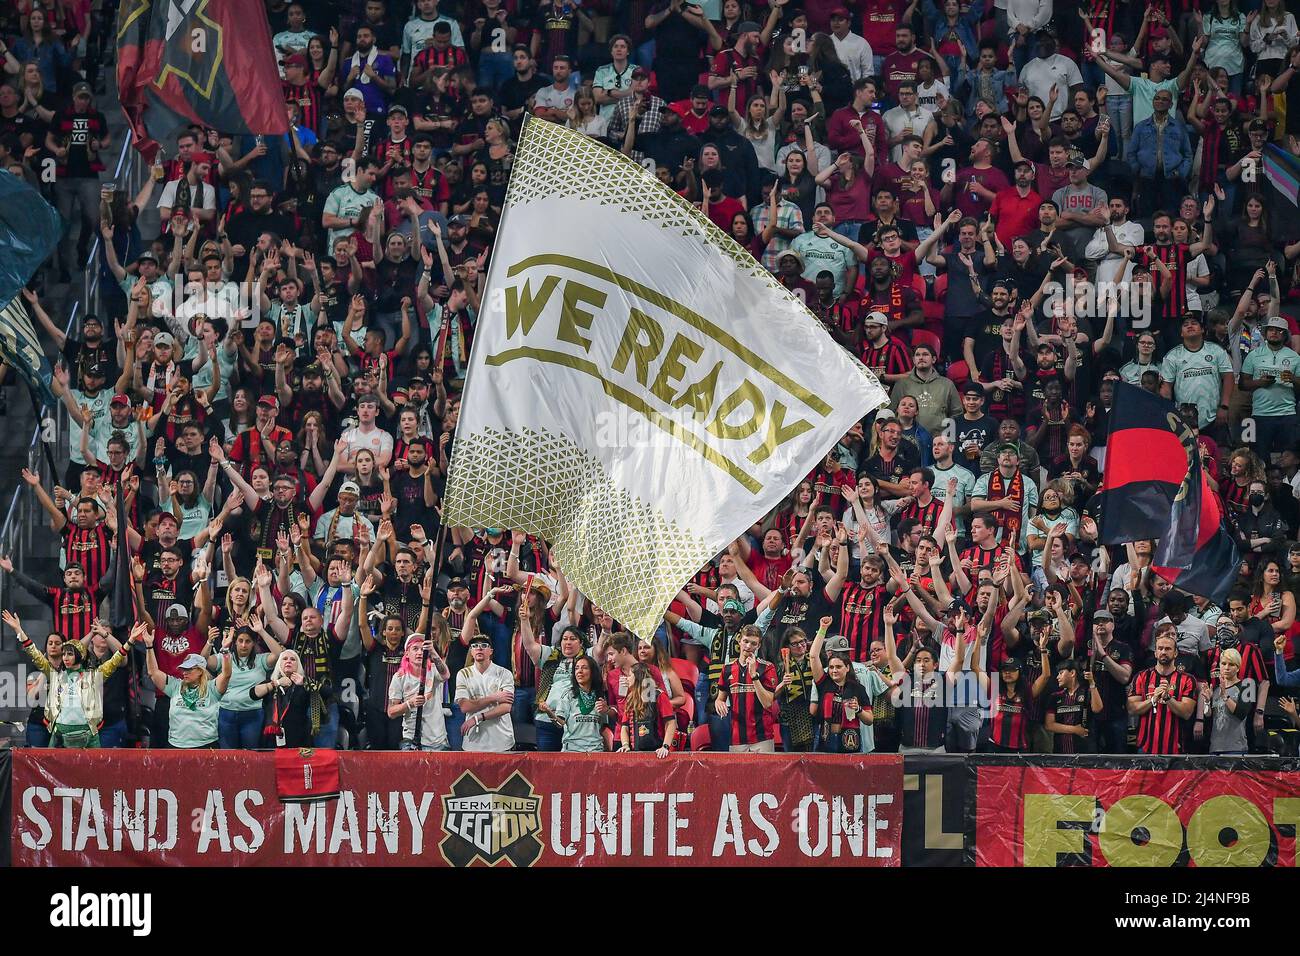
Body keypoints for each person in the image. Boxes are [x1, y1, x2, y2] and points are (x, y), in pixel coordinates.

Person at [1128, 631, 1197, 755]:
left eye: (1168, 649)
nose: (1163, 652)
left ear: (1175, 653)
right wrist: (1153, 699)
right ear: (1155, 653)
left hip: (1176, 748)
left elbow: (1186, 712)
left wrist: (1168, 698)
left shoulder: (1187, 679)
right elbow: (1132, 709)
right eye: (1160, 648)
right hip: (1145, 747)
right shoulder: (1142, 677)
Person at [388, 632, 451, 751]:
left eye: (423, 649)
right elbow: (391, 712)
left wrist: (432, 651)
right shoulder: (400, 677)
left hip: (437, 738)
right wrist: (409, 703)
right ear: (407, 653)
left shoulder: (433, 669)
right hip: (411, 738)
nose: (419, 652)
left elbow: (446, 675)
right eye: (415, 649)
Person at [455, 633, 515, 752]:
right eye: (475, 646)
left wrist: (477, 718)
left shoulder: (504, 673)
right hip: (473, 743)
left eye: (484, 645)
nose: (479, 648)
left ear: (491, 651)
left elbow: (505, 707)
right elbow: (465, 707)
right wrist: (494, 698)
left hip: (501, 741)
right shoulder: (463, 674)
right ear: (471, 651)